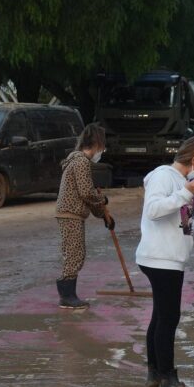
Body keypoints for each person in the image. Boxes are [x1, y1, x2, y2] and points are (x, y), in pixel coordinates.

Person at [136, 137, 194, 387]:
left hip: (171, 259)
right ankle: (168, 380)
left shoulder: (189, 187)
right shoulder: (163, 176)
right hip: (160, 257)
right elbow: (153, 210)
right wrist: (184, 193)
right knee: (169, 318)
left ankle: (155, 375)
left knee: (161, 317)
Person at [53, 123, 114, 309]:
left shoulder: (77, 161)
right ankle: (67, 296)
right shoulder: (80, 162)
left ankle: (68, 294)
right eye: (102, 146)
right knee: (74, 254)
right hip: (70, 214)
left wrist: (103, 215)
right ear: (96, 144)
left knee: (76, 252)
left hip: (72, 214)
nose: (102, 150)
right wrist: (103, 199)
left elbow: (88, 198)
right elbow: (87, 192)